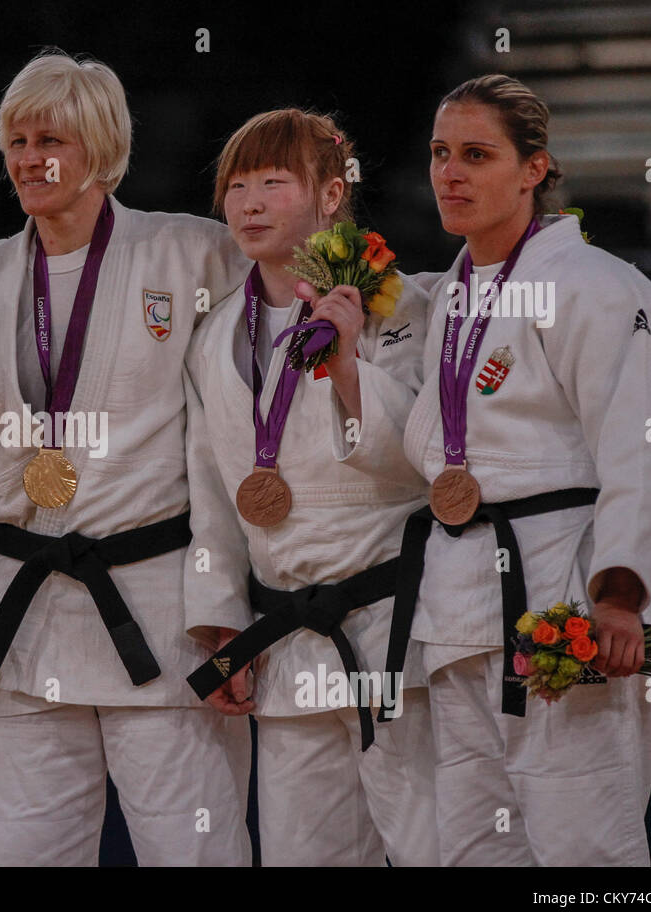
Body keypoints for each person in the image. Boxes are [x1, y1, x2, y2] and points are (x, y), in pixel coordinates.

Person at [0, 51, 252, 866]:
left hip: (158, 620)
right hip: (25, 620)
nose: (25, 157)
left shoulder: (190, 255)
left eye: (49, 137)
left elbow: (300, 290)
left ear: (101, 151)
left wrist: (229, 608)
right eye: (14, 138)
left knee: (195, 855)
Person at [384, 74, 651, 865]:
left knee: (585, 853)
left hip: (563, 602)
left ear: (534, 170)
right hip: (458, 611)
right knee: (473, 850)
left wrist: (619, 595)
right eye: (441, 153)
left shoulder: (596, 285)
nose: (450, 173)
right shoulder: (455, 293)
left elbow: (640, 448)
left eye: (476, 155)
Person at [183, 109, 440, 866]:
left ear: (332, 195)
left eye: (273, 182)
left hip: (396, 635)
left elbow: (416, 462)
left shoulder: (402, 304)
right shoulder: (213, 334)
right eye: (235, 186)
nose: (249, 203)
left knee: (436, 848)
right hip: (288, 643)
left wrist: (352, 360)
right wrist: (221, 622)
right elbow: (213, 497)